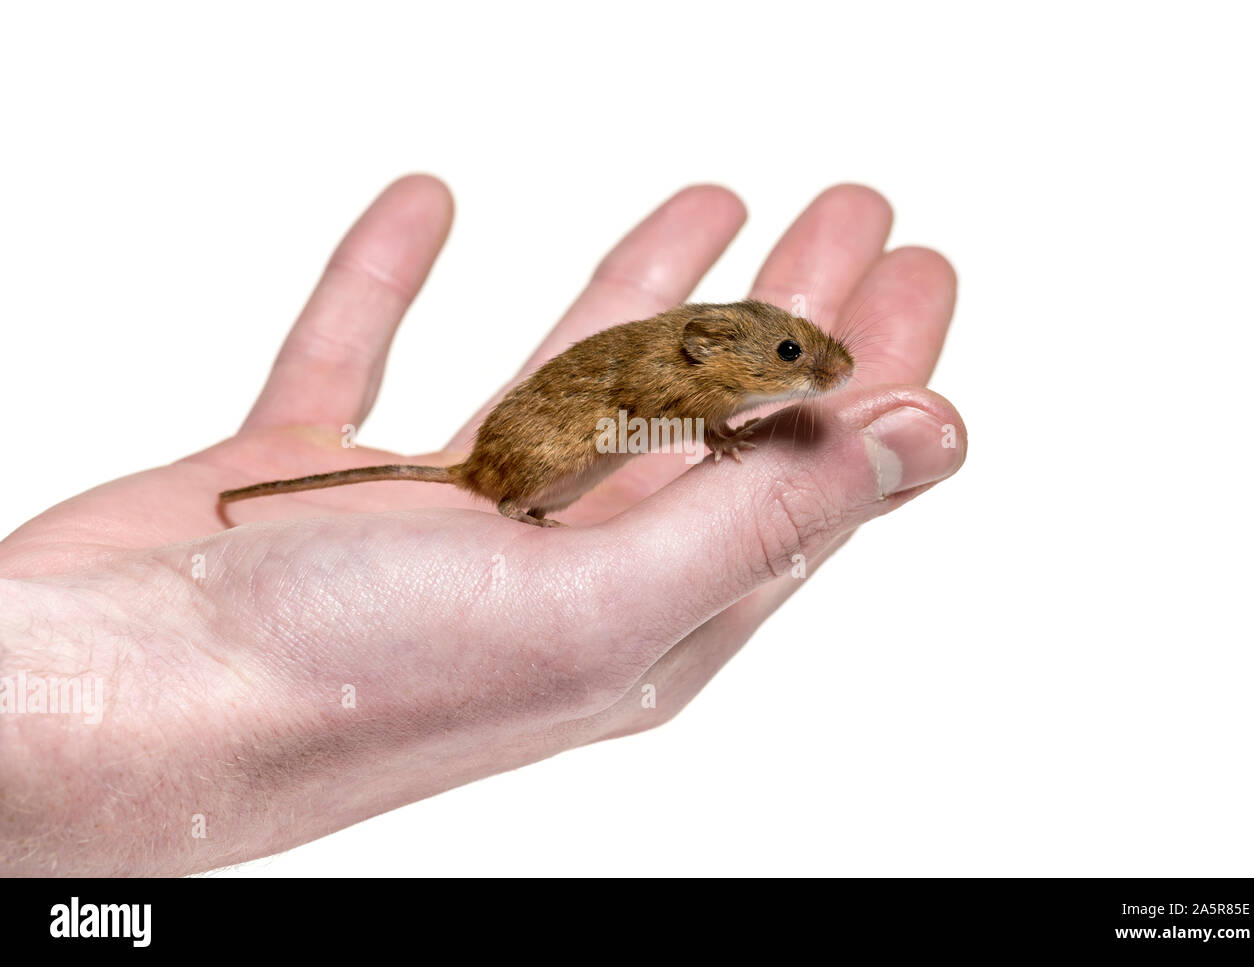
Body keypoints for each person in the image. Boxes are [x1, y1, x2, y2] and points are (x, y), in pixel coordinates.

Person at [0, 175, 965, 875]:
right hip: (536, 448)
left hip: (591, 421)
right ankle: (513, 500)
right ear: (708, 346)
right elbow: (656, 408)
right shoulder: (674, 369)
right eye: (794, 355)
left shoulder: (690, 366)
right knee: (553, 461)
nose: (816, 368)